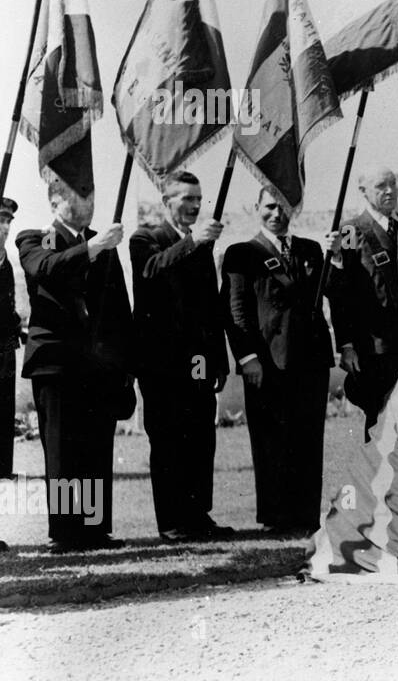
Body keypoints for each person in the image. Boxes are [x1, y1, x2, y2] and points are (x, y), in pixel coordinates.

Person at [18, 181, 135, 551]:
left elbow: (118, 309)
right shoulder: (36, 239)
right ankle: (67, 533)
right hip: (56, 362)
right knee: (63, 448)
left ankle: (94, 528)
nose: (87, 203)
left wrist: (124, 367)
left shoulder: (103, 244)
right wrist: (94, 247)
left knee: (96, 446)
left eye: (91, 196)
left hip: (97, 364)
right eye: (78, 195)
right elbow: (46, 269)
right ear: (55, 200)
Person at [222, 189, 341, 534]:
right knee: (271, 440)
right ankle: (275, 517)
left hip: (310, 359)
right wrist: (247, 358)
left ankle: (305, 515)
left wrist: (334, 261)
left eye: (283, 207)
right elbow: (237, 310)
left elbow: (329, 292)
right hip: (267, 362)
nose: (277, 213)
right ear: (256, 208)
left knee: (307, 438)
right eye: (270, 207)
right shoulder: (242, 253)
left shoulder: (310, 249)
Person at [130, 170, 231, 541]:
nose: (193, 206)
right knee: (169, 437)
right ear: (166, 202)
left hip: (199, 359)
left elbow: (210, 308)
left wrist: (219, 359)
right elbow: (151, 271)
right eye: (186, 199)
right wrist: (193, 243)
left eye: (197, 199)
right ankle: (171, 520)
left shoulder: (199, 245)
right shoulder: (146, 238)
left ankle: (197, 515)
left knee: (201, 435)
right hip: (162, 361)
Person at [328, 167, 398, 439]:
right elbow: (340, 293)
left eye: (392, 184)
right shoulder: (351, 230)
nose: (389, 191)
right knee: (380, 421)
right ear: (364, 192)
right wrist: (346, 345)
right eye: (381, 186)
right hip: (376, 347)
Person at [0, 198, 21, 481]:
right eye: (0, 220)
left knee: (4, 406)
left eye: (8, 221)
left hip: (5, 345)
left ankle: (3, 467)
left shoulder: (5, 259)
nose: (5, 227)